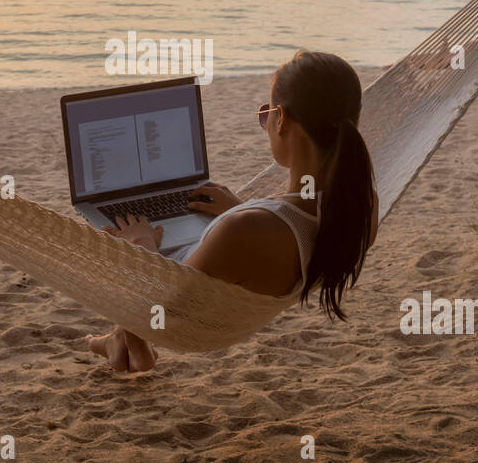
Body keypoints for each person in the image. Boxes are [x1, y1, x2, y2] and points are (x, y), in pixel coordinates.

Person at [87, 50, 379, 372]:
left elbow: (167, 304)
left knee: (116, 239)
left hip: (169, 293)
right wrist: (242, 209)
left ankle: (134, 339)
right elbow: (283, 241)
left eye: (266, 114)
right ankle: (124, 341)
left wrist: (139, 246)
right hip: (230, 268)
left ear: (281, 119)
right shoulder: (360, 204)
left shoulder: (247, 230)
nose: (265, 123)